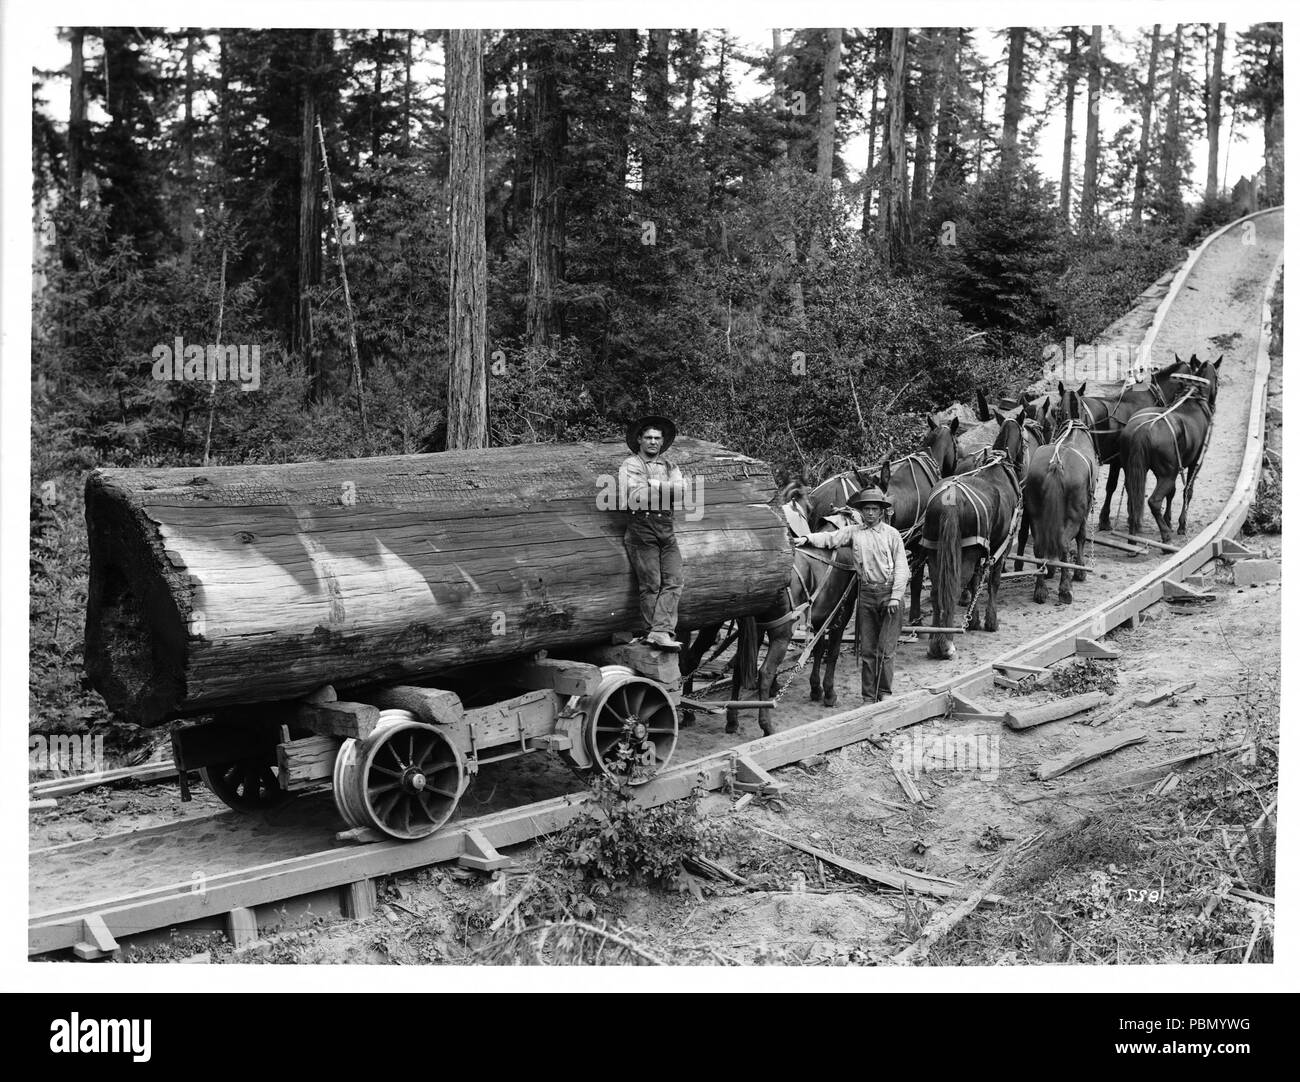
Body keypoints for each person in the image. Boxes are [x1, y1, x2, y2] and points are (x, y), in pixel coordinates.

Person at [795, 486, 910, 702]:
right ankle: (868, 695)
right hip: (866, 594)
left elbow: (902, 568)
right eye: (866, 509)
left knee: (885, 650)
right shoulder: (854, 532)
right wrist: (806, 540)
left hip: (889, 593)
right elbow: (830, 539)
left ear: (881, 511)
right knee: (867, 650)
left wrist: (896, 595)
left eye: (874, 509)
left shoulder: (892, 535)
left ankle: (883, 693)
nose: (870, 513)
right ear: (861, 511)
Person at [618, 414, 685, 651]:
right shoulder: (631, 464)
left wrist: (654, 485)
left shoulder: (670, 466)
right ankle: (654, 632)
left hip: (666, 528)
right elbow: (636, 497)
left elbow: (683, 493)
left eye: (657, 438)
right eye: (648, 437)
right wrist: (668, 491)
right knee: (652, 584)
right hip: (641, 529)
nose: (653, 442)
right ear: (639, 439)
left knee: (675, 580)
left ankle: (660, 631)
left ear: (662, 441)